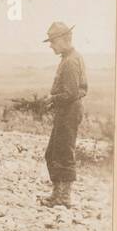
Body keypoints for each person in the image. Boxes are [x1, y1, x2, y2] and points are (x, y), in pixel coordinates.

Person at [40, 21, 88, 208]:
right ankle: (57, 195)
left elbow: (70, 93)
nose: (51, 45)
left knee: (62, 153)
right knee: (53, 152)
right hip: (67, 110)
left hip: (69, 111)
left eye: (52, 41)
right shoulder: (72, 58)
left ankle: (63, 198)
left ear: (62, 40)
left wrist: (51, 99)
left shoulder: (70, 62)